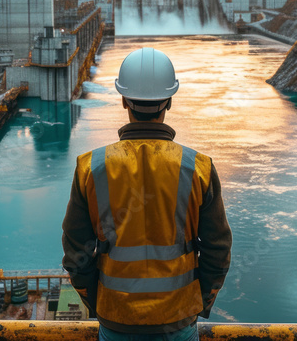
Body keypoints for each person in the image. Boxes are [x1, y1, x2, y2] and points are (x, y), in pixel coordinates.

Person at [62, 47, 232, 340]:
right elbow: (218, 250)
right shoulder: (199, 168)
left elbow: (76, 251)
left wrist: (97, 302)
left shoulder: (91, 167)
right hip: (178, 323)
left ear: (123, 100)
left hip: (115, 321)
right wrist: (197, 303)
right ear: (169, 101)